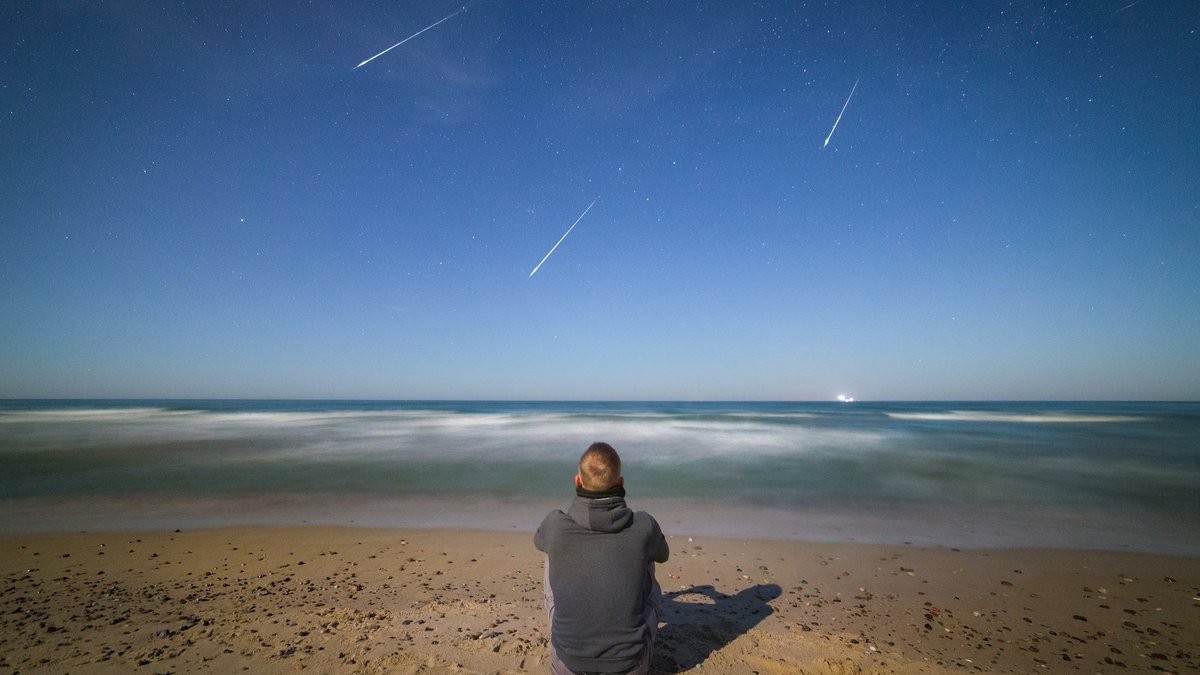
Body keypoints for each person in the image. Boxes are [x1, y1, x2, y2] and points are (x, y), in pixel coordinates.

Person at [534, 442, 670, 675]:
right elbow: (663, 555)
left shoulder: (555, 524)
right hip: (630, 667)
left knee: (552, 553)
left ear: (578, 481)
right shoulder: (643, 525)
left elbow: (538, 541)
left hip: (567, 666)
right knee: (648, 554)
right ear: (621, 483)